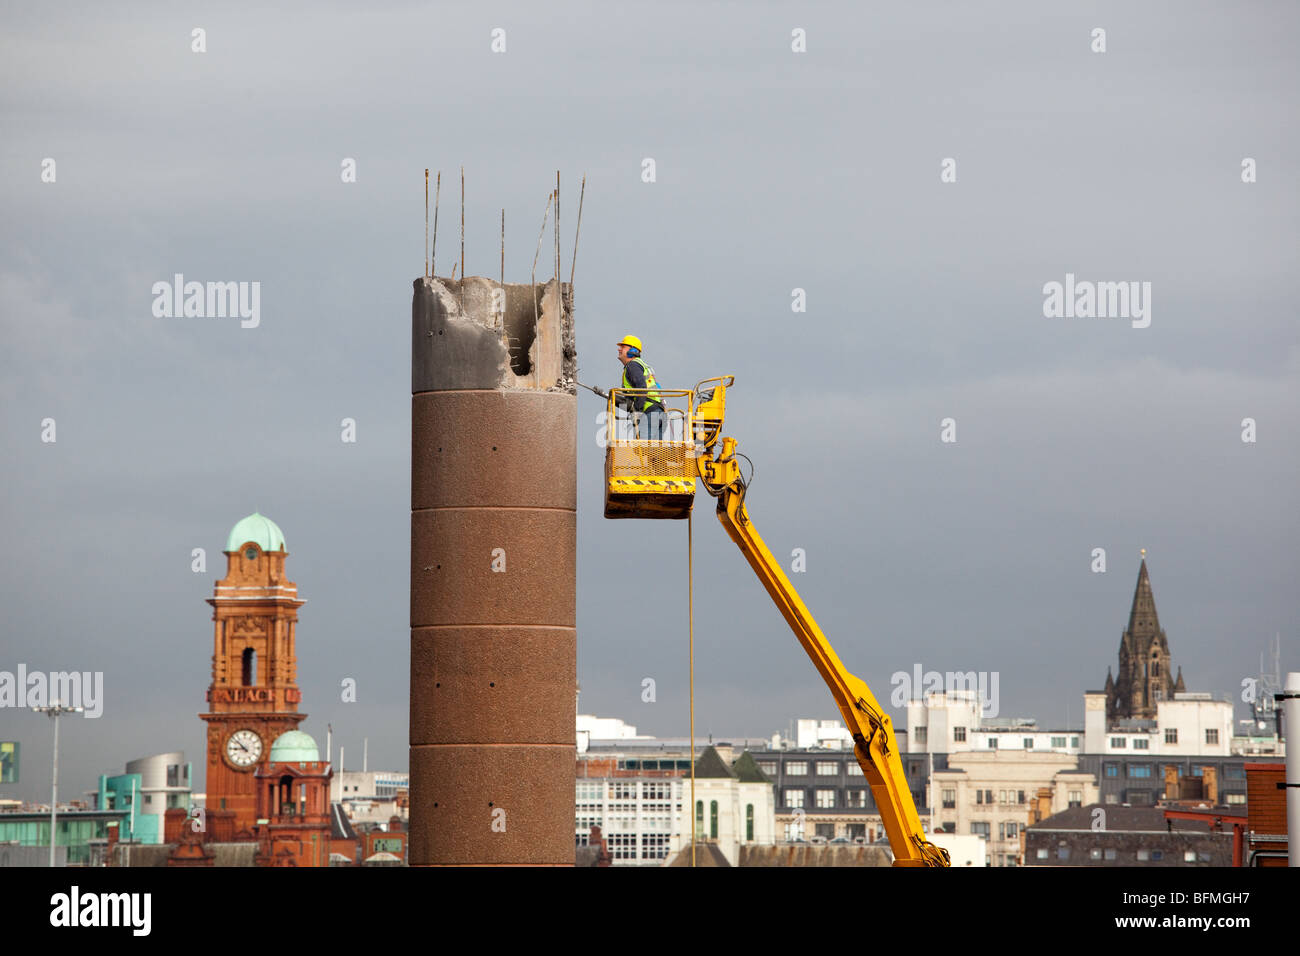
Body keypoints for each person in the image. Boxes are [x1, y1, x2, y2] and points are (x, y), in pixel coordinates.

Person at [615, 334, 666, 440]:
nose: (619, 349)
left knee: (644, 449)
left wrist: (637, 411)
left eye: (623, 347)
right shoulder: (641, 365)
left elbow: (641, 387)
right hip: (659, 413)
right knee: (654, 454)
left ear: (632, 351)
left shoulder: (633, 366)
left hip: (650, 413)